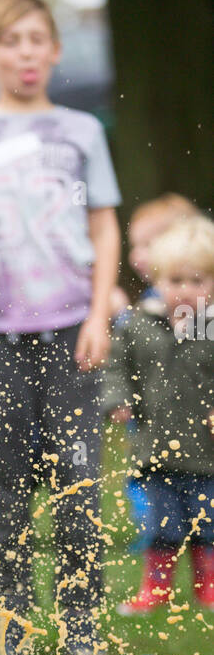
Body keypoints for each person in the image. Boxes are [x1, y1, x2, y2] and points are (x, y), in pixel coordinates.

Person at [0, 0, 122, 655]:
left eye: (37, 38)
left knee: (76, 484)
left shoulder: (81, 132)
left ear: (55, 49)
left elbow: (103, 222)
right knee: (6, 487)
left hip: (72, 329)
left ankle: (83, 630)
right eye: (11, 42)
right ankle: (7, 632)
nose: (26, 53)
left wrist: (100, 313)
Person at [104, 215, 214, 614]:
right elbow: (117, 366)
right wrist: (118, 399)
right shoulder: (139, 325)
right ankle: (156, 589)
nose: (185, 291)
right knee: (162, 528)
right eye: (175, 281)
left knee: (207, 525)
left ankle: (208, 588)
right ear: (157, 280)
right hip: (154, 452)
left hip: (206, 453)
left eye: (197, 280)